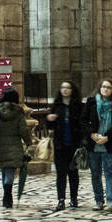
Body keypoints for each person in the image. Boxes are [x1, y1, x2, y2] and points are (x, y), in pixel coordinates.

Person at [83, 78, 112, 211]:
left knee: (109, 172)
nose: (105, 89)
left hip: (109, 143)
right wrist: (92, 134)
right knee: (95, 173)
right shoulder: (91, 103)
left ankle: (111, 201)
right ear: (99, 88)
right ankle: (99, 200)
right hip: (94, 144)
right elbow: (83, 121)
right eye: (103, 86)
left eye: (109, 87)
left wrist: (107, 137)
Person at [0, 88, 32, 209]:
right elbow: (23, 130)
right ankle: (7, 196)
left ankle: (6, 194)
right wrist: (28, 142)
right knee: (9, 171)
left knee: (5, 169)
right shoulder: (18, 113)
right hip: (14, 145)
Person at [46, 80, 83, 211]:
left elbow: (82, 123)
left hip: (73, 144)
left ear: (72, 90)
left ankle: (74, 198)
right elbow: (50, 126)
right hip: (60, 144)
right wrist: (50, 120)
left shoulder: (77, 105)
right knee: (60, 174)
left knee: (73, 173)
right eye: (63, 87)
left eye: (67, 88)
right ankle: (61, 200)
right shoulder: (57, 106)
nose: (65, 90)